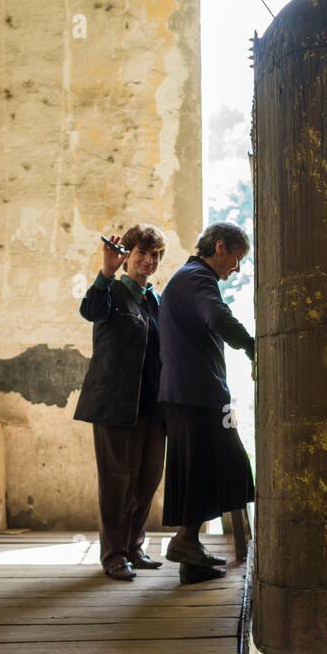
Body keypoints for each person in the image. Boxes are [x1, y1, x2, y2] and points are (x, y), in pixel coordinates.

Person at [156, 221, 256, 583]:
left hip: (186, 393)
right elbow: (217, 317)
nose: (237, 268)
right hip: (196, 394)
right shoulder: (197, 278)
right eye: (237, 258)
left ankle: (191, 561)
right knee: (228, 466)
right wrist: (250, 346)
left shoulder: (187, 277)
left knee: (199, 470)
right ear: (219, 247)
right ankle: (185, 540)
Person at [73, 224, 168, 581]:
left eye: (155, 255)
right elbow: (89, 310)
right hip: (115, 405)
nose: (149, 261)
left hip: (153, 407)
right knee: (117, 482)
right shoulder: (110, 291)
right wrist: (106, 271)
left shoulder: (155, 300)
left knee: (146, 480)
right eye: (142, 253)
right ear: (127, 255)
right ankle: (113, 555)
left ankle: (133, 547)